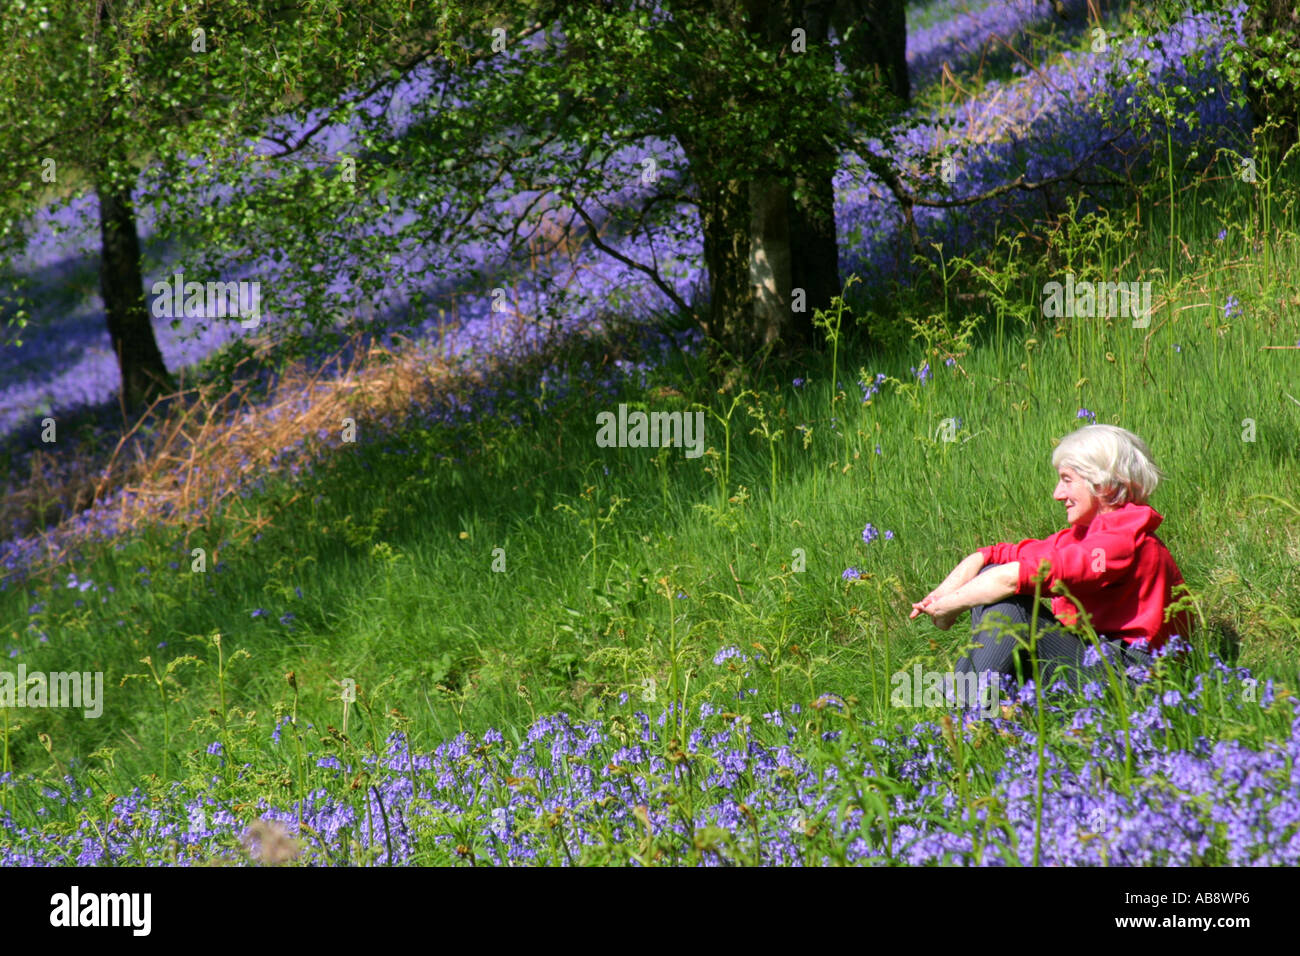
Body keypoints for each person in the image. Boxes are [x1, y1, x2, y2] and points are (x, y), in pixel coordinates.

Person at [908, 424, 1193, 707]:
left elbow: (1010, 579)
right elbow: (990, 555)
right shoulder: (1086, 535)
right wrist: (940, 597)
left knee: (1010, 607)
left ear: (1103, 481)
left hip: (1134, 684)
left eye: (1067, 480)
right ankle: (978, 708)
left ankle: (969, 712)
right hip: (1097, 662)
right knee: (989, 575)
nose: (1057, 493)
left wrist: (949, 607)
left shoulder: (1121, 541)